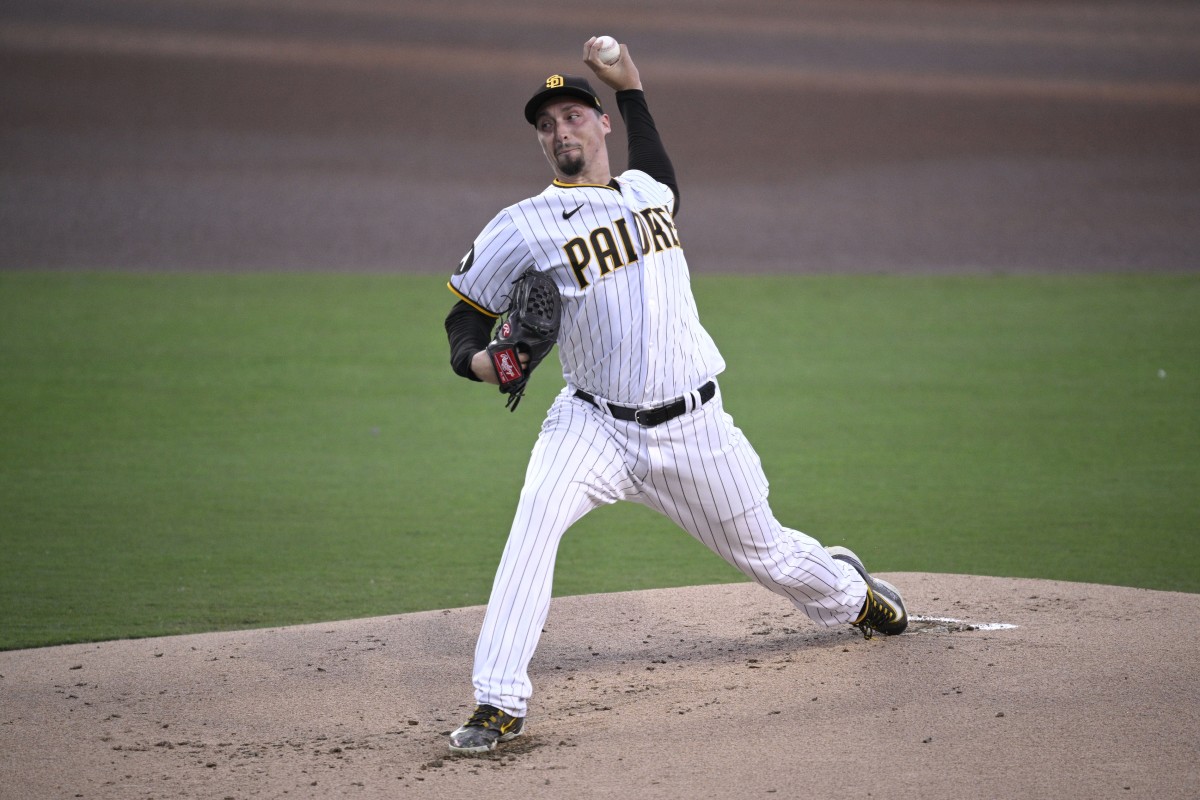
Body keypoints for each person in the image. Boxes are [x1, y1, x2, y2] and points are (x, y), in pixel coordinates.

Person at [442, 38, 907, 754]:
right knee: (532, 524)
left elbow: (657, 163)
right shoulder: (520, 225)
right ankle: (497, 702)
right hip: (590, 426)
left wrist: (631, 86)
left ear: (600, 127)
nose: (560, 130)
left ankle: (851, 595)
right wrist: (485, 365)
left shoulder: (647, 192)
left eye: (573, 116)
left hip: (696, 429)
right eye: (546, 124)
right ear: (541, 141)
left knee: (772, 557)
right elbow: (463, 319)